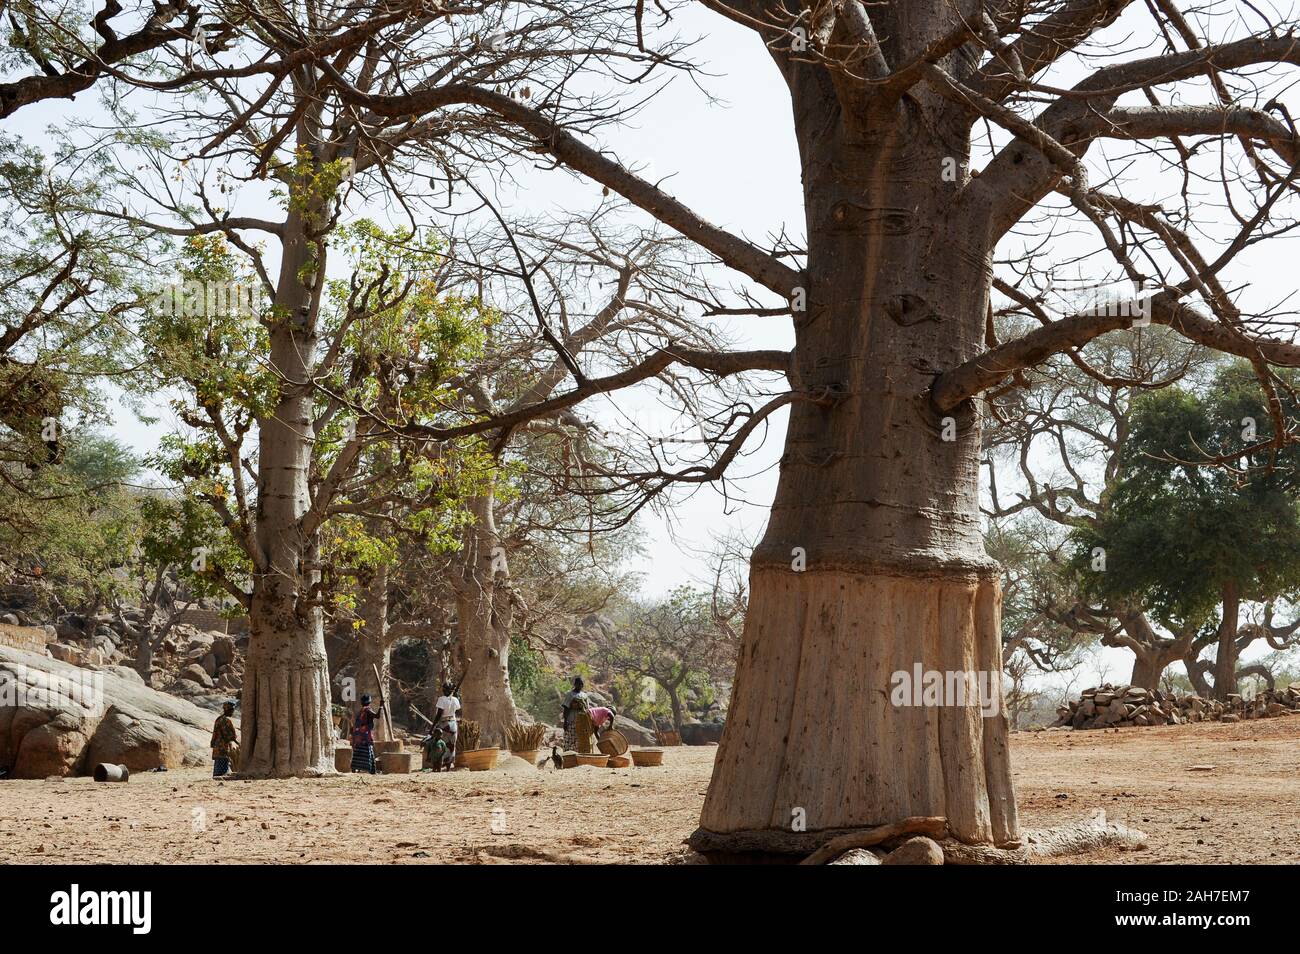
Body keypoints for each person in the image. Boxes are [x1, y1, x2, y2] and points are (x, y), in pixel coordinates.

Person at [350, 694, 384, 774]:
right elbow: (377, 716)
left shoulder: (361, 711)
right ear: (369, 702)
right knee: (368, 749)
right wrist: (381, 706)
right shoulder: (367, 710)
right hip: (365, 735)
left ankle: (355, 767)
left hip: (359, 735)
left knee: (358, 750)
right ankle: (370, 769)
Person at [560, 676, 590, 751]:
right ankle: (567, 757)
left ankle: (574, 758)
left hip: (580, 721)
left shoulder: (584, 695)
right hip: (571, 720)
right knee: (569, 740)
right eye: (579, 684)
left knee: (578, 741)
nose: (580, 686)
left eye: (581, 684)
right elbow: (566, 708)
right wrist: (565, 721)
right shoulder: (570, 694)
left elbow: (587, 709)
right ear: (575, 684)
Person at [433, 683, 461, 761]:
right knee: (452, 745)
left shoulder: (441, 699)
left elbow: (439, 714)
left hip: (444, 724)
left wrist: (433, 726)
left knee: (441, 744)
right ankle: (449, 763)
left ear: (444, 690)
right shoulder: (455, 700)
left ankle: (440, 761)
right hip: (453, 724)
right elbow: (457, 709)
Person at [211, 701, 238, 778]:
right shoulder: (226, 721)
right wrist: (236, 741)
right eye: (232, 710)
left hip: (217, 746)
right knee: (223, 767)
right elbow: (228, 735)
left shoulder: (219, 719)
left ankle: (217, 777)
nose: (232, 712)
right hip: (222, 747)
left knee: (218, 765)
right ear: (228, 710)